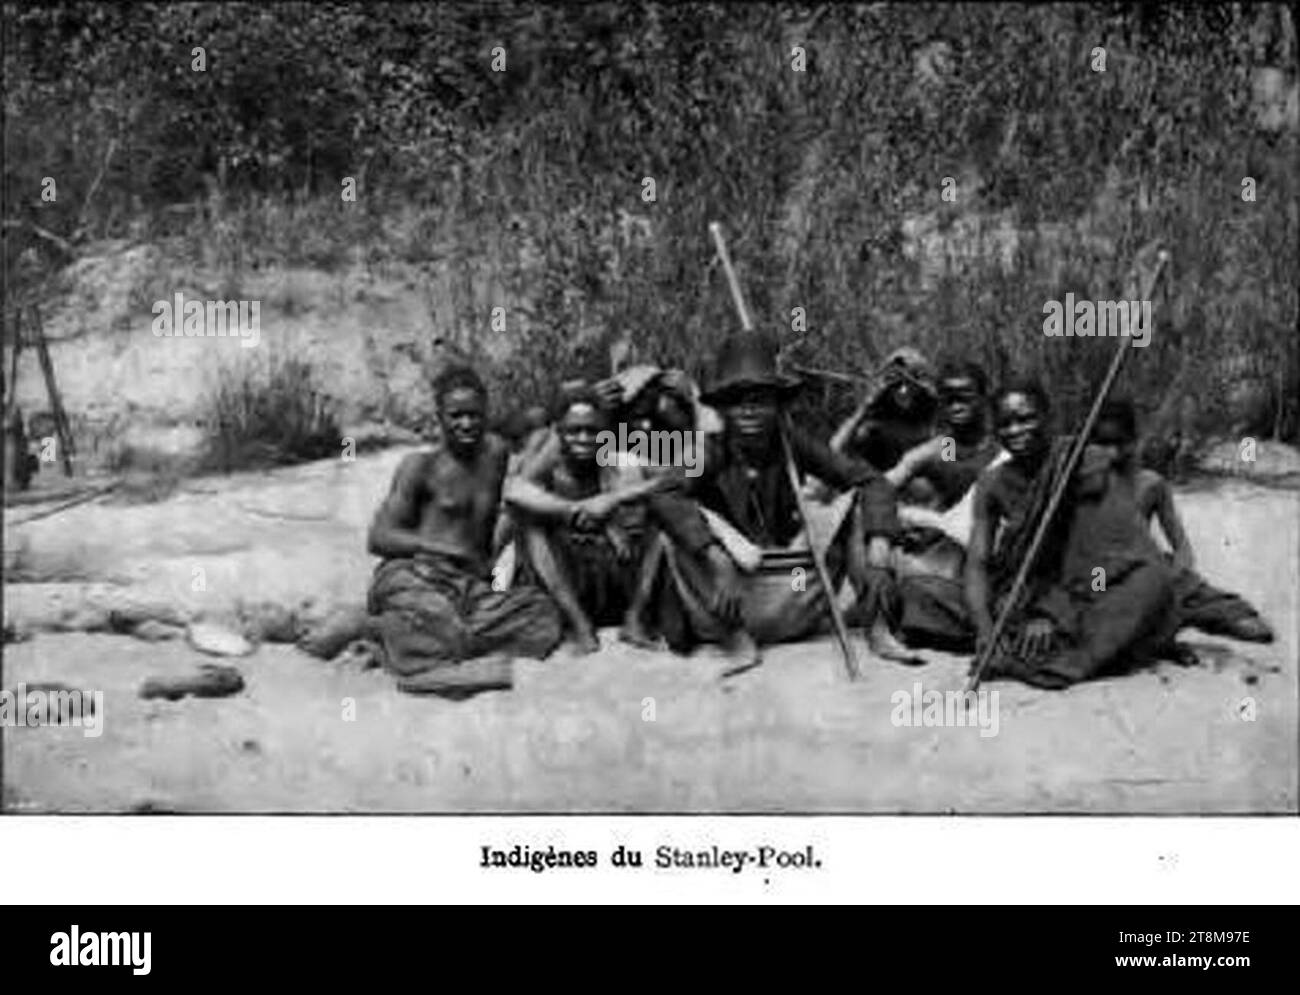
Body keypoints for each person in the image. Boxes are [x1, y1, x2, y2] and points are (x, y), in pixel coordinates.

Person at [664, 333, 916, 662]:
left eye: (760, 400)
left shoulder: (793, 443)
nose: (749, 410)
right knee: (675, 522)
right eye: (738, 401)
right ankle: (736, 639)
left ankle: (878, 628)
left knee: (855, 506)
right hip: (732, 596)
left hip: (793, 590)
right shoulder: (711, 451)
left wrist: (880, 544)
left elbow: (870, 481)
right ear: (723, 409)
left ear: (778, 405)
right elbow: (665, 494)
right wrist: (717, 558)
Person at [964, 382, 1181, 689]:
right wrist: (985, 631)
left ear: (1048, 418)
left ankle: (1047, 655)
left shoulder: (1082, 461)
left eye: (1025, 419)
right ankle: (1084, 649)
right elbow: (978, 564)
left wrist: (1054, 613)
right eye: (1005, 424)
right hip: (1027, 591)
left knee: (1151, 582)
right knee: (993, 606)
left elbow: (1114, 554)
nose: (1015, 430)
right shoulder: (991, 483)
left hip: (1091, 581)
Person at [366, 364, 563, 697]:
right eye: (456, 416)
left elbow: (540, 426)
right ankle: (385, 631)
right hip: (416, 574)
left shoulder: (496, 453)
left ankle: (407, 639)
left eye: (474, 414)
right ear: (439, 417)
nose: (466, 423)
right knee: (440, 616)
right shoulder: (420, 467)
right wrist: (444, 548)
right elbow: (379, 537)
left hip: (469, 587)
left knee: (542, 619)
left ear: (486, 412)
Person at [504, 388, 744, 655]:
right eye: (574, 431)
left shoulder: (618, 462)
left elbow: (679, 475)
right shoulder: (548, 471)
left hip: (617, 579)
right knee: (530, 526)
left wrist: (614, 499)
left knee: (661, 518)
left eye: (591, 430)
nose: (583, 438)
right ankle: (580, 625)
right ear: (558, 433)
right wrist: (574, 509)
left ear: (603, 432)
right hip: (570, 586)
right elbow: (514, 492)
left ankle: (635, 619)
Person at [1095, 399, 1273, 644]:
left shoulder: (1151, 484)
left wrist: (1172, 578)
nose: (1112, 453)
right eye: (1103, 444)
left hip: (1148, 569)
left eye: (1120, 443)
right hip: (1100, 573)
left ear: (1135, 442)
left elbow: (1182, 549)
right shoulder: (1081, 486)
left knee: (1251, 626)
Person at [879, 360, 1004, 651]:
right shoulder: (940, 449)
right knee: (906, 584)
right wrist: (906, 517)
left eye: (965, 397)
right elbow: (879, 488)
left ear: (984, 398)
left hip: (994, 559)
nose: (956, 406)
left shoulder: (1004, 447)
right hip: (949, 559)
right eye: (949, 399)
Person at [831, 347, 940, 474]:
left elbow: (952, 457)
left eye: (910, 384)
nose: (903, 391)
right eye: (898, 384)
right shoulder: (877, 413)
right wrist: (865, 407)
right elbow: (834, 450)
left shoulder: (931, 408)